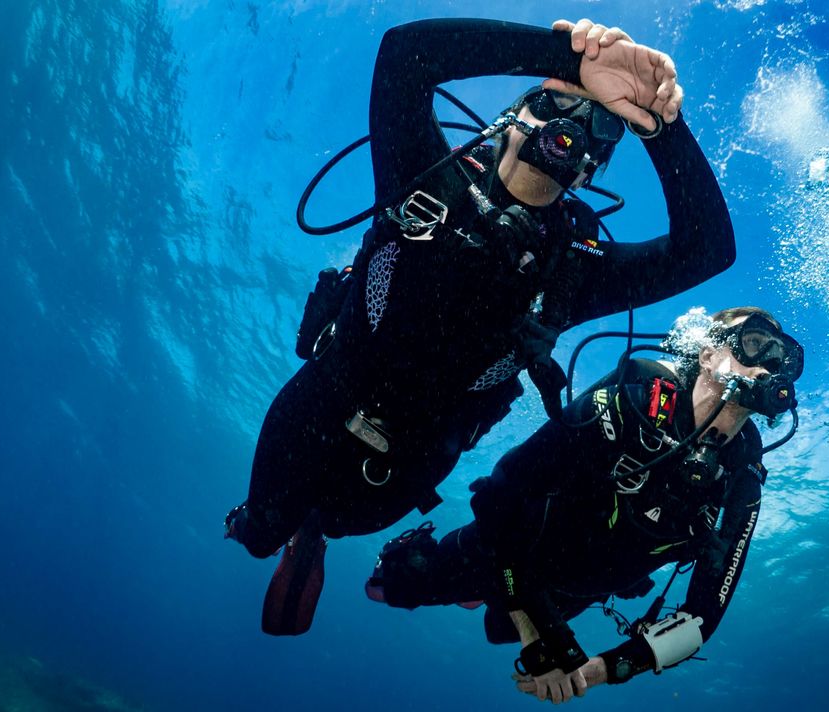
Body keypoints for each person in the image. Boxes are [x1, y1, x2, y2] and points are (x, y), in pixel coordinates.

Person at [226, 17, 737, 635]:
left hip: (408, 469)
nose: (575, 125)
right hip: (314, 411)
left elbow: (708, 248)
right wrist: (572, 64)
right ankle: (286, 531)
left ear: (592, 169)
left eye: (601, 122)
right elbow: (404, 54)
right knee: (256, 535)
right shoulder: (422, 174)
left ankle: (317, 533)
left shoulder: (574, 270)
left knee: (336, 519)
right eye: (556, 104)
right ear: (514, 118)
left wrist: (656, 124)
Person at [365, 307, 805, 702]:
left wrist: (598, 671)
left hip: (578, 591)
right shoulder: (632, 401)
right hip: (510, 548)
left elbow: (703, 618)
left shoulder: (742, 480)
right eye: (754, 344)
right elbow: (500, 493)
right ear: (708, 354)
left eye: (783, 359)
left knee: (496, 632)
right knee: (390, 587)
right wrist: (531, 620)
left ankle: (499, 607)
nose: (768, 366)